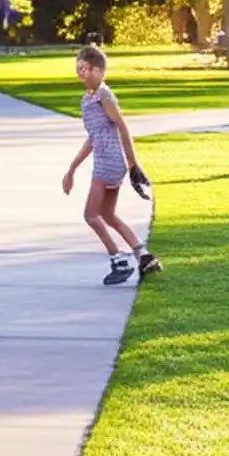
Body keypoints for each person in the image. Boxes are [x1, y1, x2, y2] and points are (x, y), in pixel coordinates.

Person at [62, 46, 161, 285]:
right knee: (106, 214)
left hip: (109, 161)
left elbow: (123, 126)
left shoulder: (104, 96)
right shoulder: (88, 98)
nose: (80, 73)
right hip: (107, 159)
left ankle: (119, 260)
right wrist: (72, 168)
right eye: (78, 68)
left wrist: (133, 165)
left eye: (85, 68)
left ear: (98, 70)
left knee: (90, 215)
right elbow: (93, 137)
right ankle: (143, 255)